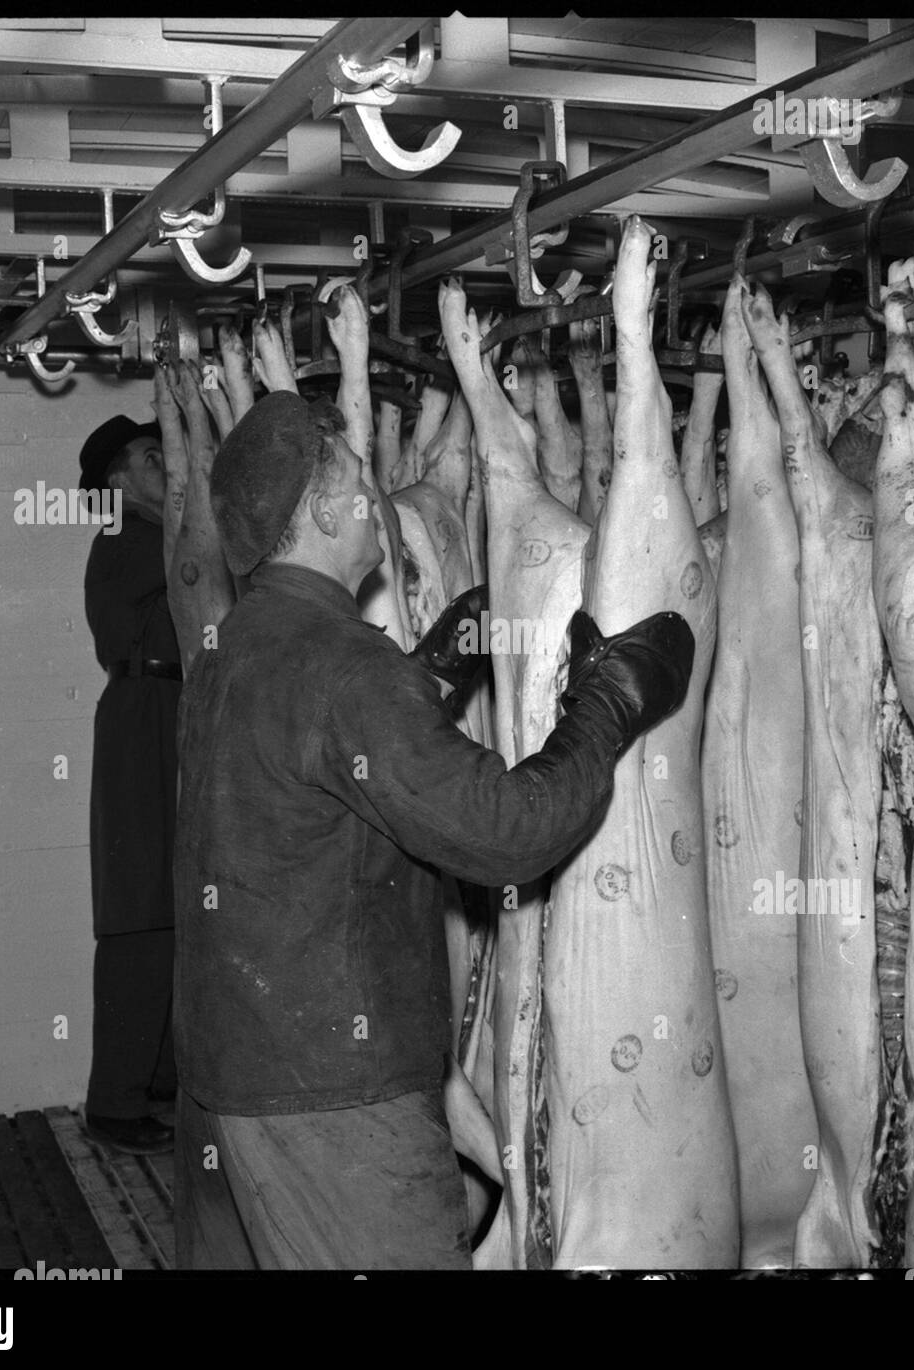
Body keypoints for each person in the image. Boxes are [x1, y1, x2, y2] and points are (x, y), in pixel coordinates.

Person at [172, 390, 695, 1269]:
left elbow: (307, 784)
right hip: (333, 1104)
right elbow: (507, 832)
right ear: (329, 510)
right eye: (358, 478)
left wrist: (427, 679)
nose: (378, 495)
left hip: (233, 1075)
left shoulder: (232, 650)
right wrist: (606, 703)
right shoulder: (345, 669)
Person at [79, 415, 180, 1155]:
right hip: (146, 715)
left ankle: (160, 1081)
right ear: (117, 482)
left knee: (173, 907)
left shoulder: (153, 536)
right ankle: (114, 1102)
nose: (167, 467)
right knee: (140, 913)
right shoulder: (130, 538)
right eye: (153, 457)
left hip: (168, 712)